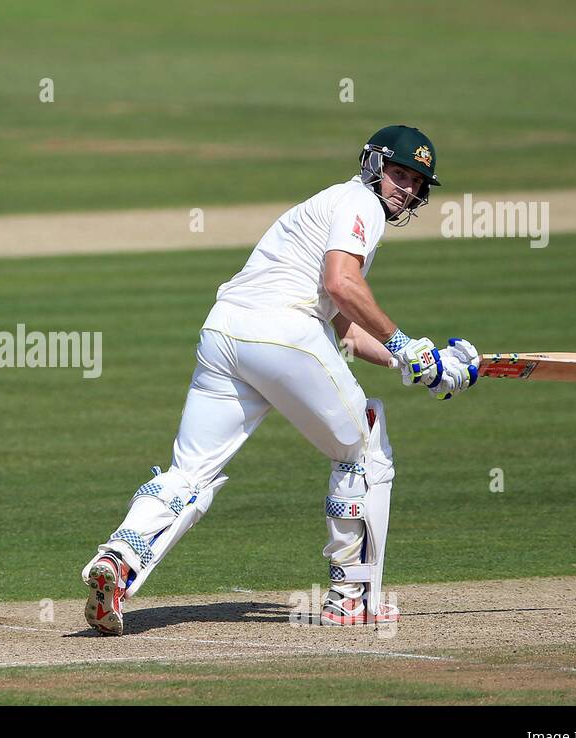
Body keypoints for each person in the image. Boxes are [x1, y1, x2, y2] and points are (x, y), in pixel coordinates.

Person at [80, 126, 482, 634]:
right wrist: (408, 347)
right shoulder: (361, 205)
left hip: (225, 332)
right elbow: (342, 282)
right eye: (398, 173)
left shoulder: (329, 205)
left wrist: (427, 366)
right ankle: (352, 597)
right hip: (282, 332)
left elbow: (349, 331)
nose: (404, 187)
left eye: (416, 181)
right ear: (373, 166)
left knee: (190, 472)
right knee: (364, 444)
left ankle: (117, 561)